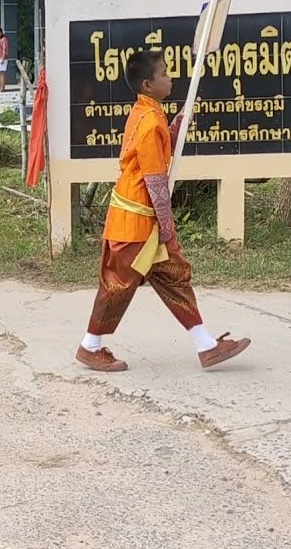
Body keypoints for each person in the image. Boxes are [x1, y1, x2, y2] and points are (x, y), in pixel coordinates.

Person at [76, 50, 251, 373]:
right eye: (165, 73)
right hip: (135, 222)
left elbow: (155, 155)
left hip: (142, 219)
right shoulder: (148, 121)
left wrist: (175, 128)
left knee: (174, 278)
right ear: (148, 83)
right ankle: (90, 346)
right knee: (118, 285)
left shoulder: (147, 114)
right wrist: (167, 226)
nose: (171, 77)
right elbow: (155, 180)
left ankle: (206, 345)